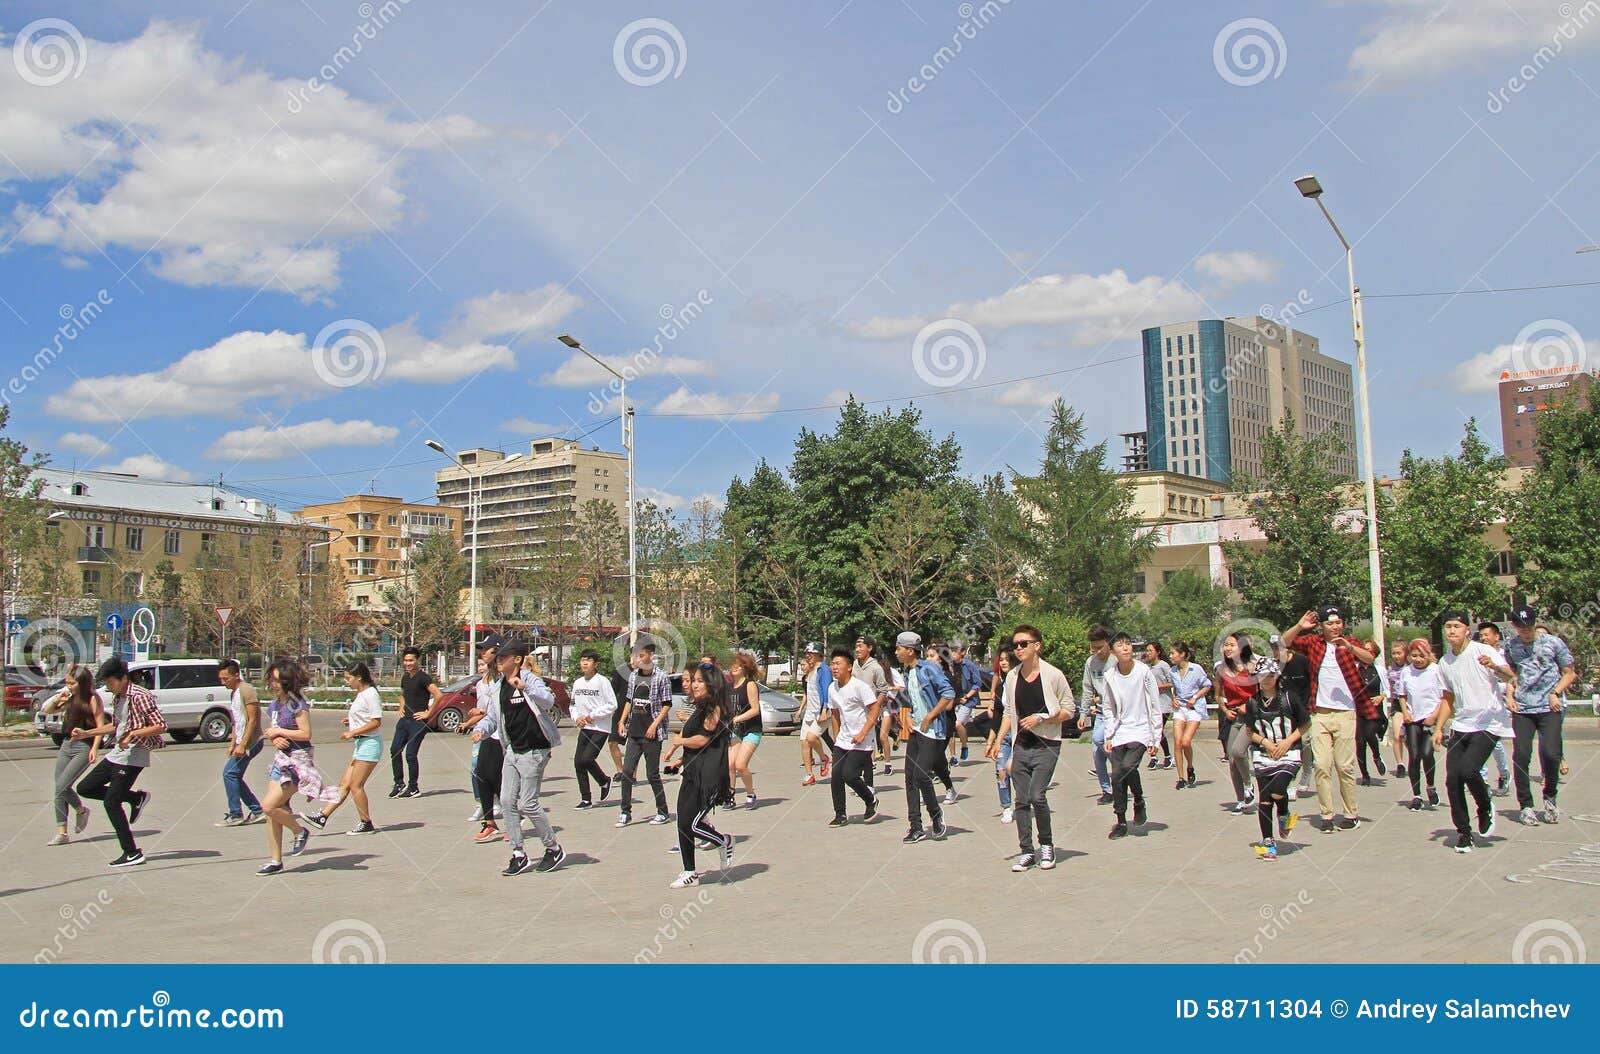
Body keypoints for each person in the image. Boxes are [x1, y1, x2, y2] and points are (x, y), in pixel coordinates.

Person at [1282, 606, 1376, 833]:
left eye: (1338, 623)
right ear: (1321, 626)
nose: (1335, 627)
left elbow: (1369, 658)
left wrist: (1350, 647)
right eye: (1330, 623)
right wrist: (1299, 625)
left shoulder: (1349, 642)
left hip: (1345, 713)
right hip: (1319, 713)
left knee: (1344, 766)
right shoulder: (1313, 643)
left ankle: (1351, 814)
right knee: (1322, 765)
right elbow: (1284, 643)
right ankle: (1326, 815)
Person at [989, 624, 1075, 872]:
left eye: (1023, 644)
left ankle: (1046, 846)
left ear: (1037, 646)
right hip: (1021, 745)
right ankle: (1027, 851)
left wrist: (1043, 718)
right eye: (1016, 645)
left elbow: (1069, 709)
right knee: (1022, 800)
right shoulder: (1012, 677)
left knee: (1037, 795)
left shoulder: (1053, 675)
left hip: (1047, 744)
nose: (1018, 649)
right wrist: (997, 741)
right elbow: (1008, 712)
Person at [1434, 610, 1515, 854]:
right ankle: (1464, 833)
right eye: (1448, 626)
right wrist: (1439, 728)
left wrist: (1495, 667)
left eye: (1457, 626)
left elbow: (1511, 676)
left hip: (1489, 722)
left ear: (1467, 629)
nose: (1452, 631)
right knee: (1452, 779)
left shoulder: (1483, 651)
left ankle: (1484, 804)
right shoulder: (1444, 662)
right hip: (1462, 724)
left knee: (1469, 770)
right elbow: (1448, 698)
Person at [75, 656, 165, 868]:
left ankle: (132, 852)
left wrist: (133, 734)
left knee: (111, 802)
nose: (109, 687)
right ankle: (135, 799)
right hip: (118, 753)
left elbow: (160, 725)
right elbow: (116, 726)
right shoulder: (118, 698)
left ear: (124, 678)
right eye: (106, 683)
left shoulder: (140, 696)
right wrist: (85, 733)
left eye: (111, 682)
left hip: (135, 755)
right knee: (85, 787)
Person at [256, 659, 341, 874]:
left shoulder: (298, 704)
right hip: (280, 759)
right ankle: (275, 860)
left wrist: (279, 733)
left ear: (288, 681)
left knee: (269, 806)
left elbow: (305, 733)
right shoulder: (274, 705)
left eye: (278, 680)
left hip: (297, 762)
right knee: (274, 812)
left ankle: (300, 831)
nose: (273, 684)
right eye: (271, 679)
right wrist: (274, 738)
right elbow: (273, 731)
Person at [494, 642, 567, 876]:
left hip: (534, 750)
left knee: (527, 803)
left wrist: (525, 688)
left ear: (516, 659)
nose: (498, 661)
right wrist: (479, 729)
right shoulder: (499, 687)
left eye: (502, 657)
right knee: (506, 801)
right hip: (513, 751)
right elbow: (493, 716)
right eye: (497, 658)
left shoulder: (529, 679)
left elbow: (547, 701)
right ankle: (518, 853)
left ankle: (553, 848)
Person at [1502, 605, 1575, 826]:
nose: (1525, 630)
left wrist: (1556, 692)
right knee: (1522, 755)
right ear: (1514, 626)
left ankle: (1550, 796)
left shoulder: (1552, 643)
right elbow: (1512, 674)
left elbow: (1570, 673)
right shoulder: (1511, 647)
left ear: (1535, 622)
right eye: (1520, 627)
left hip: (1549, 706)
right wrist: (1510, 694)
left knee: (1552, 754)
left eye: (1529, 626)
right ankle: (1525, 804)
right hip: (1523, 709)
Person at [668, 663, 736, 888]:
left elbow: (703, 740)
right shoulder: (700, 708)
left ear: (711, 684)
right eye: (692, 680)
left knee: (693, 824)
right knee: (682, 822)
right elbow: (699, 744)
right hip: (692, 770)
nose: (693, 685)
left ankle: (723, 841)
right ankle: (690, 872)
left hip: (707, 774)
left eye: (698, 681)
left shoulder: (714, 708)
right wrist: (680, 758)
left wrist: (679, 741)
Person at [301, 662, 383, 835]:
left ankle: (366, 822)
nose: (346, 681)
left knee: (356, 786)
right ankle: (323, 816)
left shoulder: (370, 694)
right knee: (344, 784)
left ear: (359, 677)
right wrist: (352, 721)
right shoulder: (362, 694)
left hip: (370, 744)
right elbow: (365, 717)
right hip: (361, 744)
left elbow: (376, 721)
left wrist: (352, 732)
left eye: (348, 678)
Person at [1241, 658, 1308, 862]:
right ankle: (1268, 841)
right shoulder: (1253, 702)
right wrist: (1266, 743)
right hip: (1263, 754)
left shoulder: (1289, 697)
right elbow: (1250, 731)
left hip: (1289, 753)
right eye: (1262, 676)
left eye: (1270, 675)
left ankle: (1285, 813)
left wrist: (1287, 742)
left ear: (1277, 676)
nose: (1266, 679)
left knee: (1278, 788)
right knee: (1265, 798)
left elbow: (1305, 723)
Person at [896, 631, 956, 842]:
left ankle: (936, 815)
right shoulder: (908, 672)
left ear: (910, 650)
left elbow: (948, 694)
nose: (896, 652)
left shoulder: (928, 668)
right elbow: (912, 700)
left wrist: (930, 716)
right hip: (916, 731)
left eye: (899, 648)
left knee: (922, 775)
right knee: (910, 778)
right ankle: (916, 826)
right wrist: (910, 717)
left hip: (933, 732)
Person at [1100, 632, 1161, 839]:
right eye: (1120, 645)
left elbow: (1154, 705)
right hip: (1119, 731)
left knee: (1127, 767)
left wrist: (1155, 737)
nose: (1125, 648)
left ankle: (1138, 799)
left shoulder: (1144, 672)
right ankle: (1121, 821)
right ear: (1113, 651)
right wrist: (1108, 735)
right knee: (1117, 774)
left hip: (1141, 729)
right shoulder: (1110, 675)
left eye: (1128, 644)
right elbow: (1108, 708)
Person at [616, 642, 672, 829]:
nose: (637, 659)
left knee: (652, 774)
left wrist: (655, 725)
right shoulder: (633, 677)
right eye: (634, 656)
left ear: (650, 656)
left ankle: (662, 811)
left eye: (640, 655)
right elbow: (628, 701)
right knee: (626, 771)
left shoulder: (661, 677)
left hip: (652, 733)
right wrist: (622, 721)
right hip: (634, 731)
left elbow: (666, 704)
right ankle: (625, 811)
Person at [43, 665, 101, 845]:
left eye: (72, 683)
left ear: (82, 682)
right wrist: (58, 699)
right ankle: (62, 832)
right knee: (58, 787)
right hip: (66, 744)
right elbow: (49, 710)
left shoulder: (93, 698)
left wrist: (94, 749)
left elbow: (101, 726)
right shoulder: (70, 696)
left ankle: (81, 811)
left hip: (83, 746)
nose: (69, 686)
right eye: (67, 683)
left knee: (62, 786)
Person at [826, 647, 882, 828]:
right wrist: (836, 736)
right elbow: (834, 713)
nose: (834, 667)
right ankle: (840, 814)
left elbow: (875, 709)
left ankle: (870, 799)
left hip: (862, 740)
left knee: (849, 775)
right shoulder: (832, 688)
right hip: (843, 739)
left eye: (838, 664)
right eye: (832, 664)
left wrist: (863, 733)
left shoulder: (859, 686)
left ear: (849, 667)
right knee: (836, 776)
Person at [1393, 639, 1444, 811]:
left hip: (1430, 718)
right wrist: (1405, 713)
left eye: (1421, 656)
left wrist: (1434, 716)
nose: (1418, 659)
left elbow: (1444, 697)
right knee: (1414, 755)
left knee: (1427, 753)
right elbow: (1402, 695)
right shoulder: (1406, 671)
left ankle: (1431, 786)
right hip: (1412, 719)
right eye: (1414, 656)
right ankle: (1417, 795)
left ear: (1429, 655)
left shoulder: (1436, 671)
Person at [461, 642, 504, 840]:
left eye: (484, 651)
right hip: (489, 732)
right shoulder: (482, 683)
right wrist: (476, 726)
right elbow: (485, 711)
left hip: (505, 736)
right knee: (482, 773)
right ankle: (489, 822)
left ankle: (515, 815)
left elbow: (498, 709)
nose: (481, 654)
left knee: (499, 778)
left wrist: (482, 714)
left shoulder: (504, 678)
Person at [1214, 633, 1260, 813]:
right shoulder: (1221, 670)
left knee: (1238, 752)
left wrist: (1247, 706)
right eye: (1226, 645)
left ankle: (1249, 786)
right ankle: (1241, 799)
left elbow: (1264, 692)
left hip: (1252, 717)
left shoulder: (1252, 667)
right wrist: (1225, 710)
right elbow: (1218, 694)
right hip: (1233, 718)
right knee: (1232, 760)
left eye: (1232, 645)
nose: (1227, 648)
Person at [215, 659, 264, 827]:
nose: (223, 682)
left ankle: (236, 814)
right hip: (241, 741)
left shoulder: (247, 690)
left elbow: (252, 720)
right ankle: (257, 810)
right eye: (221, 679)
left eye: (226, 679)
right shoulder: (233, 692)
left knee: (229, 773)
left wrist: (243, 744)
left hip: (252, 742)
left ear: (236, 675)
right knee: (234, 775)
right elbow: (237, 721)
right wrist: (232, 743)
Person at [390, 646, 442, 798]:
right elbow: (402, 695)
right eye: (406, 660)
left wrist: (428, 713)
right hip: (404, 721)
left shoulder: (423, 677)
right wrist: (401, 708)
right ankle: (399, 783)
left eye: (411, 660)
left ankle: (413, 787)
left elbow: (439, 695)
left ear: (418, 660)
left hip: (418, 723)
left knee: (411, 754)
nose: (408, 663)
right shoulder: (405, 677)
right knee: (394, 750)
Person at [570, 649, 618, 809]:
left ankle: (604, 780)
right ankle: (586, 798)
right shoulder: (577, 683)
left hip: (600, 727)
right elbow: (573, 705)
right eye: (582, 660)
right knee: (578, 762)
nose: (584, 663)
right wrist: (577, 717)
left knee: (587, 759)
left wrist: (594, 715)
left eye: (588, 660)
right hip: (585, 727)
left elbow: (612, 704)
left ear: (595, 664)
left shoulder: (602, 681)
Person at [1475, 622, 1514, 796]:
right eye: (1481, 635)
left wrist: (1511, 698)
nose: (1483, 638)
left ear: (1496, 637)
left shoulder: (1503, 655)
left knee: (1495, 743)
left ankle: (1504, 773)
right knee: (1478, 740)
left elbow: (1511, 679)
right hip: (1481, 706)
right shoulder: (1476, 655)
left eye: (1487, 635)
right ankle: (1482, 780)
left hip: (1500, 704)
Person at [1168, 641, 1211, 790]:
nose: (1171, 656)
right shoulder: (1172, 671)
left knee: (1186, 741)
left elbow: (1207, 685)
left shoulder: (1196, 669)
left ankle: (1190, 767)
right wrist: (1173, 698)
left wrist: (1195, 697)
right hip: (1180, 709)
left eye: (1173, 653)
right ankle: (1180, 778)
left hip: (1194, 708)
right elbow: (1173, 688)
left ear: (1182, 654)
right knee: (1177, 741)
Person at [1079, 627, 1113, 804]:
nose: (1098, 652)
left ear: (1108, 643)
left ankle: (1123, 768)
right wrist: (1083, 714)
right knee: (1096, 753)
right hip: (1099, 713)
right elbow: (1087, 689)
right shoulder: (1090, 663)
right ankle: (1107, 790)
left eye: (1100, 647)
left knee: (1100, 741)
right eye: (1094, 648)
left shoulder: (1116, 661)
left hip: (1115, 714)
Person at [854, 637, 895, 777]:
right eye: (856, 646)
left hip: (878, 709)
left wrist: (876, 708)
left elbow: (883, 690)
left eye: (860, 646)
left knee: (879, 738)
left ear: (869, 648)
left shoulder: (876, 667)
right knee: (864, 744)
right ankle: (865, 773)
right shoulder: (853, 665)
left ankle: (886, 765)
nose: (857, 649)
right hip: (856, 712)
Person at [728, 652, 764, 808]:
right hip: (736, 731)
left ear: (745, 668)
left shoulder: (749, 684)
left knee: (740, 765)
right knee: (730, 764)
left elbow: (755, 710)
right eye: (733, 664)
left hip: (752, 730)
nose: (735, 667)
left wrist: (738, 718)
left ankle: (751, 794)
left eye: (739, 665)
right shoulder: (730, 686)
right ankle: (729, 796)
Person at [1354, 639, 1390, 786]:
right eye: (1364, 649)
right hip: (1359, 709)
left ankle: (1377, 756)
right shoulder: (1355, 668)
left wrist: (1381, 696)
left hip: (1375, 709)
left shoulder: (1379, 670)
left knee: (1369, 734)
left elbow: (1388, 689)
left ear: (1374, 654)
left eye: (1369, 650)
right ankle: (1365, 775)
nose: (1365, 653)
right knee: (1360, 742)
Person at [797, 643, 833, 786]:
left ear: (818, 654)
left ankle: (824, 758)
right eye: (807, 654)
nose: (808, 656)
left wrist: (824, 709)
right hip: (810, 713)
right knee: (804, 743)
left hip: (821, 712)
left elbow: (826, 690)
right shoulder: (809, 671)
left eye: (810, 654)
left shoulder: (823, 670)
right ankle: (809, 774)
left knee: (811, 738)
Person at [947, 641, 984, 764]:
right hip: (954, 699)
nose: (952, 654)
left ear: (962, 653)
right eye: (951, 651)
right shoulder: (950, 666)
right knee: (950, 728)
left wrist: (967, 697)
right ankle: (953, 756)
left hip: (967, 700)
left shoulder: (969, 666)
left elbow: (977, 684)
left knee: (957, 724)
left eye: (955, 651)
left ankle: (964, 745)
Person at [989, 650, 1015, 823]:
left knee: (1014, 768)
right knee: (1001, 770)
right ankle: (1006, 807)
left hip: (1020, 734)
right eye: (1002, 660)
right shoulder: (1000, 687)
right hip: (1003, 735)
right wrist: (990, 741)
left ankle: (1024, 801)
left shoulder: (1020, 683)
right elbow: (998, 716)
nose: (1004, 663)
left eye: (1007, 660)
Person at [1144, 640, 1175, 770]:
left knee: (1158, 730)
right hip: (1152, 704)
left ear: (1158, 652)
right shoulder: (1148, 668)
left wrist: (1157, 687)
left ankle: (1167, 756)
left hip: (1164, 703)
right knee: (1150, 730)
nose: (1148, 653)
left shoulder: (1163, 666)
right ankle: (1153, 757)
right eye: (1147, 650)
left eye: (1150, 650)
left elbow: (1172, 682)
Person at [1385, 640, 1410, 779]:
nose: (1396, 656)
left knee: (1409, 739)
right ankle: (1400, 764)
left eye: (1399, 653)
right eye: (1394, 653)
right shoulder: (1390, 669)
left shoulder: (1411, 668)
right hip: (1396, 704)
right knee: (1397, 735)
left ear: (1405, 653)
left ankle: (1414, 758)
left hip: (1410, 704)